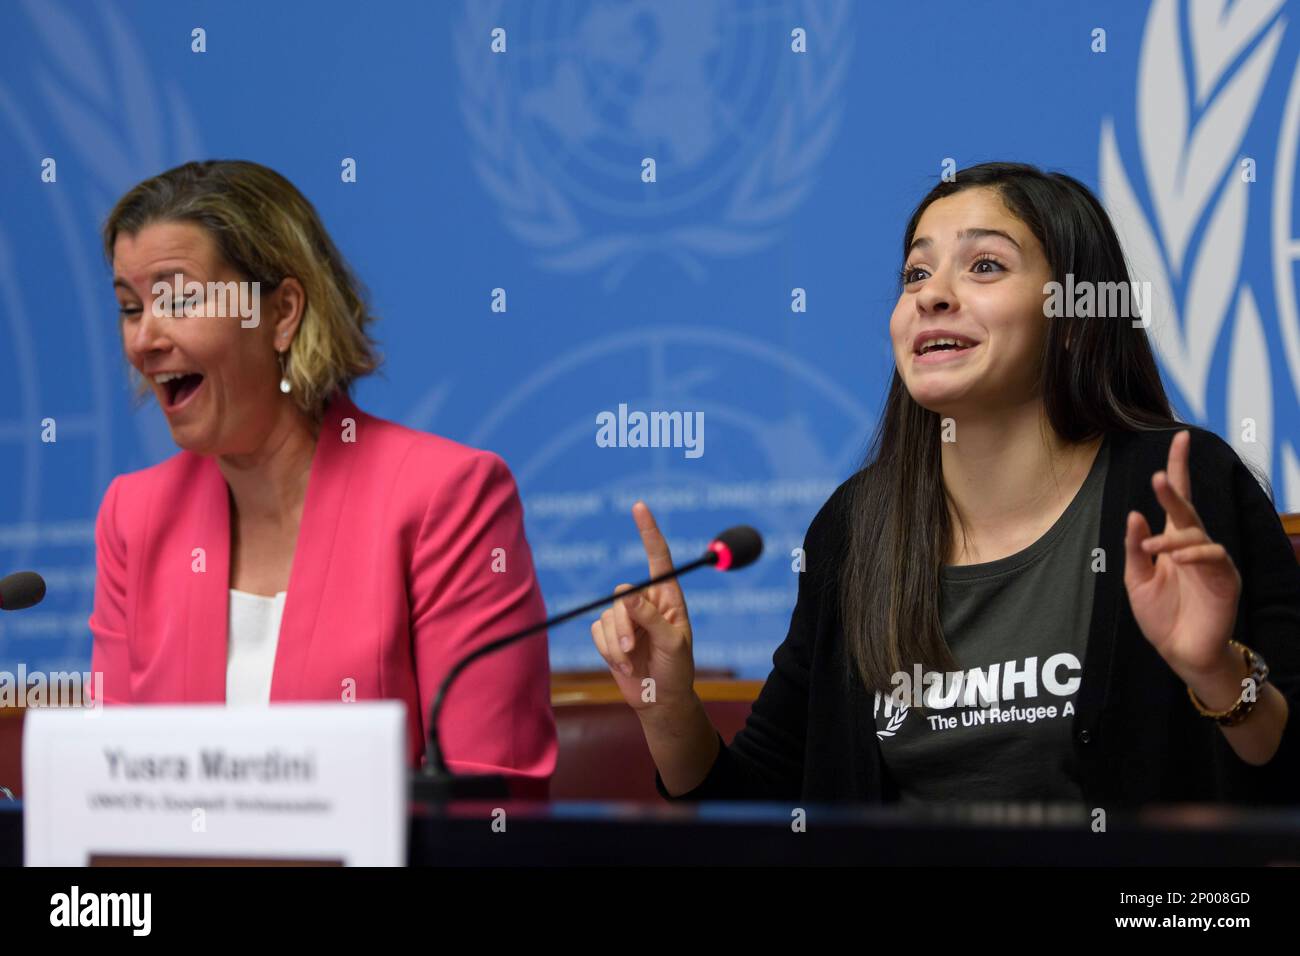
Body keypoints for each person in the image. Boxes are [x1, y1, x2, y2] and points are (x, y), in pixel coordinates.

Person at [591, 161, 1300, 806]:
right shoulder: (855, 526)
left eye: (985, 266)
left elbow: (1285, 768)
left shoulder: (1180, 488)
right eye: (915, 275)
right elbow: (763, 803)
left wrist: (1216, 672)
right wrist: (668, 705)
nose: (933, 297)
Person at [91, 160, 556, 796]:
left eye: (180, 299)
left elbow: (490, 806)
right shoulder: (135, 515)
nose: (144, 340)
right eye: (129, 307)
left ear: (281, 312)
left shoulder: (447, 497)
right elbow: (120, 800)